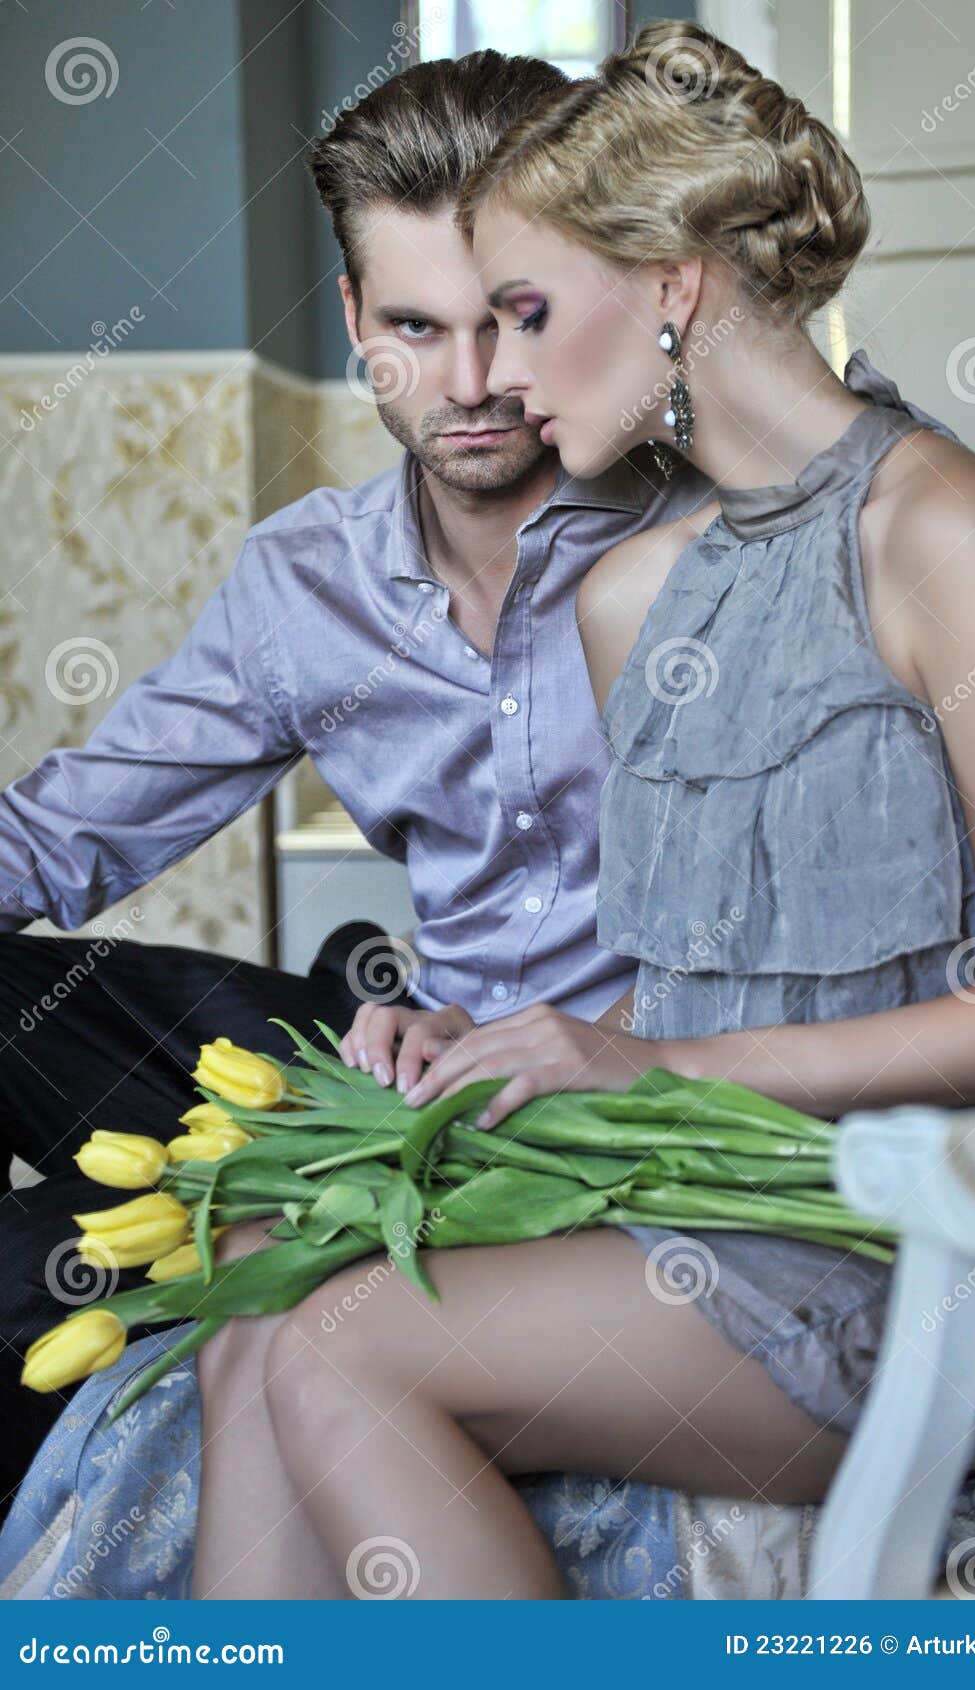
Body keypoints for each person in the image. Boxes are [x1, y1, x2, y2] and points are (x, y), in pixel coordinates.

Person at [188, 20, 975, 1600]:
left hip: (921, 1234)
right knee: (255, 1285)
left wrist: (658, 1067)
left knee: (335, 1347)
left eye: (526, 312)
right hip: (694, 1196)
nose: (497, 376)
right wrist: (472, 1043)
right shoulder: (629, 597)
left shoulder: (945, 529)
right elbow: (670, 984)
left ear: (669, 285)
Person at [0, 46, 712, 1509]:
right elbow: (62, 832)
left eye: (511, 319)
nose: (471, 384)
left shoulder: (714, 544)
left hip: (611, 1098)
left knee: (27, 1289)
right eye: (413, 327)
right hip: (386, 1060)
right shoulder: (304, 581)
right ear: (353, 321)